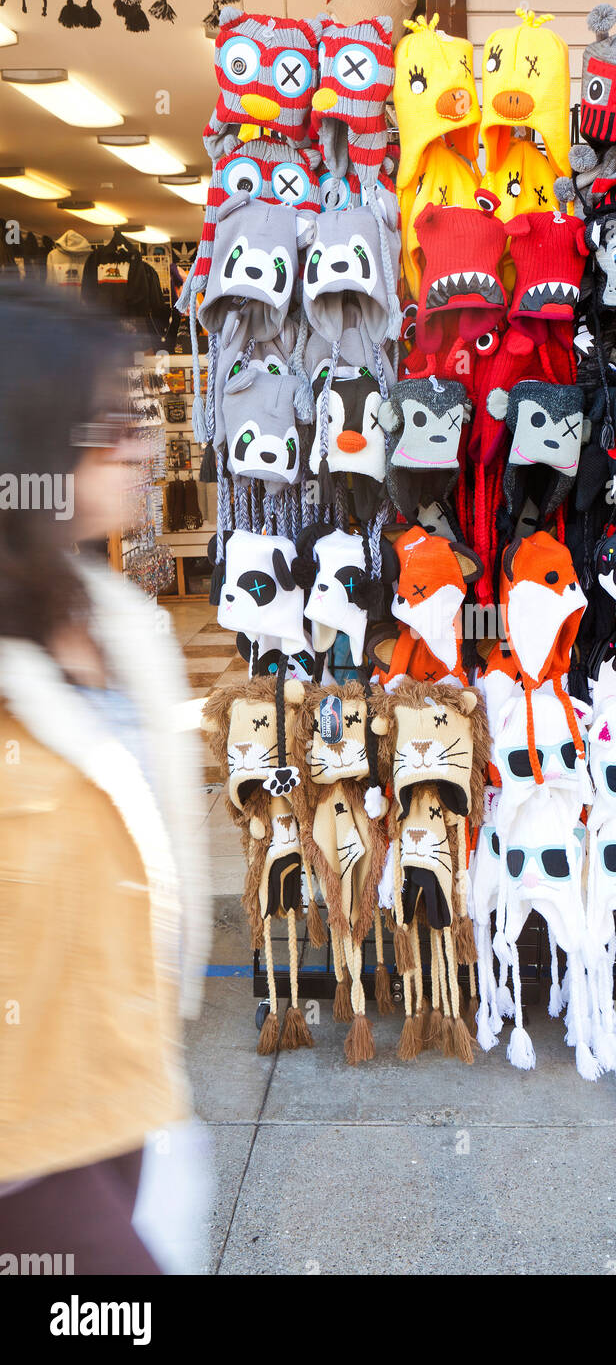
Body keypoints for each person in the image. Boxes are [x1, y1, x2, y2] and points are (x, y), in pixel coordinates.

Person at [0, 281, 210, 1274]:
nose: (142, 444)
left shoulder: (118, 619)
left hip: (133, 1100)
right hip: (29, 1166)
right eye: (112, 423)